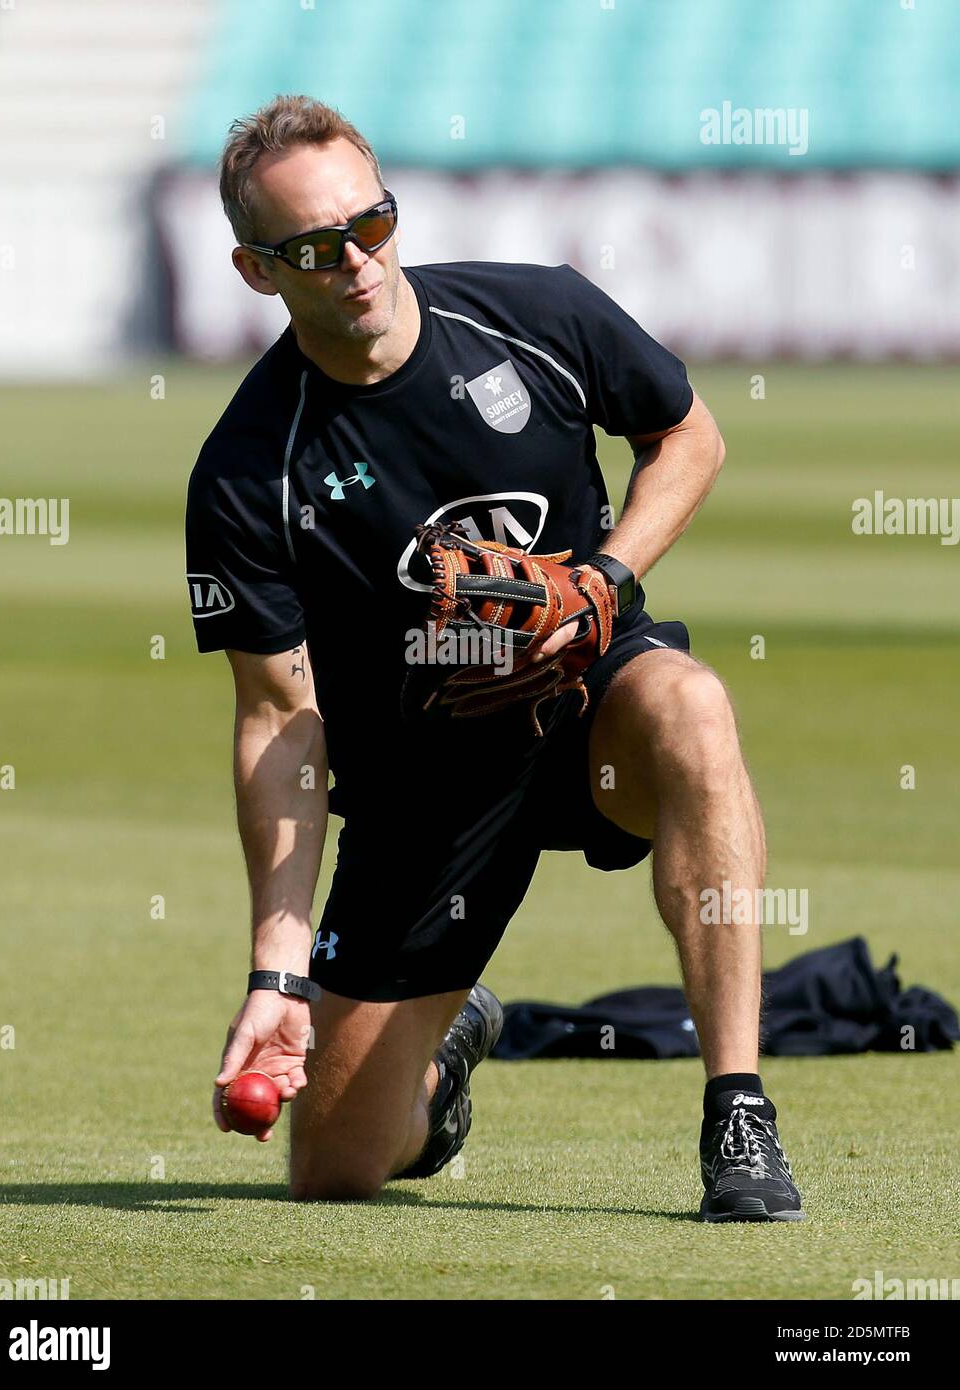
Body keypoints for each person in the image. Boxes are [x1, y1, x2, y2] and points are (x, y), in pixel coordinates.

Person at [186, 94, 804, 1221]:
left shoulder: (539, 312)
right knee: (331, 1171)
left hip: (587, 706)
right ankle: (445, 1053)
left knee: (692, 705)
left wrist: (604, 581)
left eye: (370, 225)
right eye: (315, 250)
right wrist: (275, 972)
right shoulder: (243, 471)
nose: (357, 264)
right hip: (422, 784)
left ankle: (737, 1106)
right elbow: (280, 722)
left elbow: (688, 436)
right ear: (255, 271)